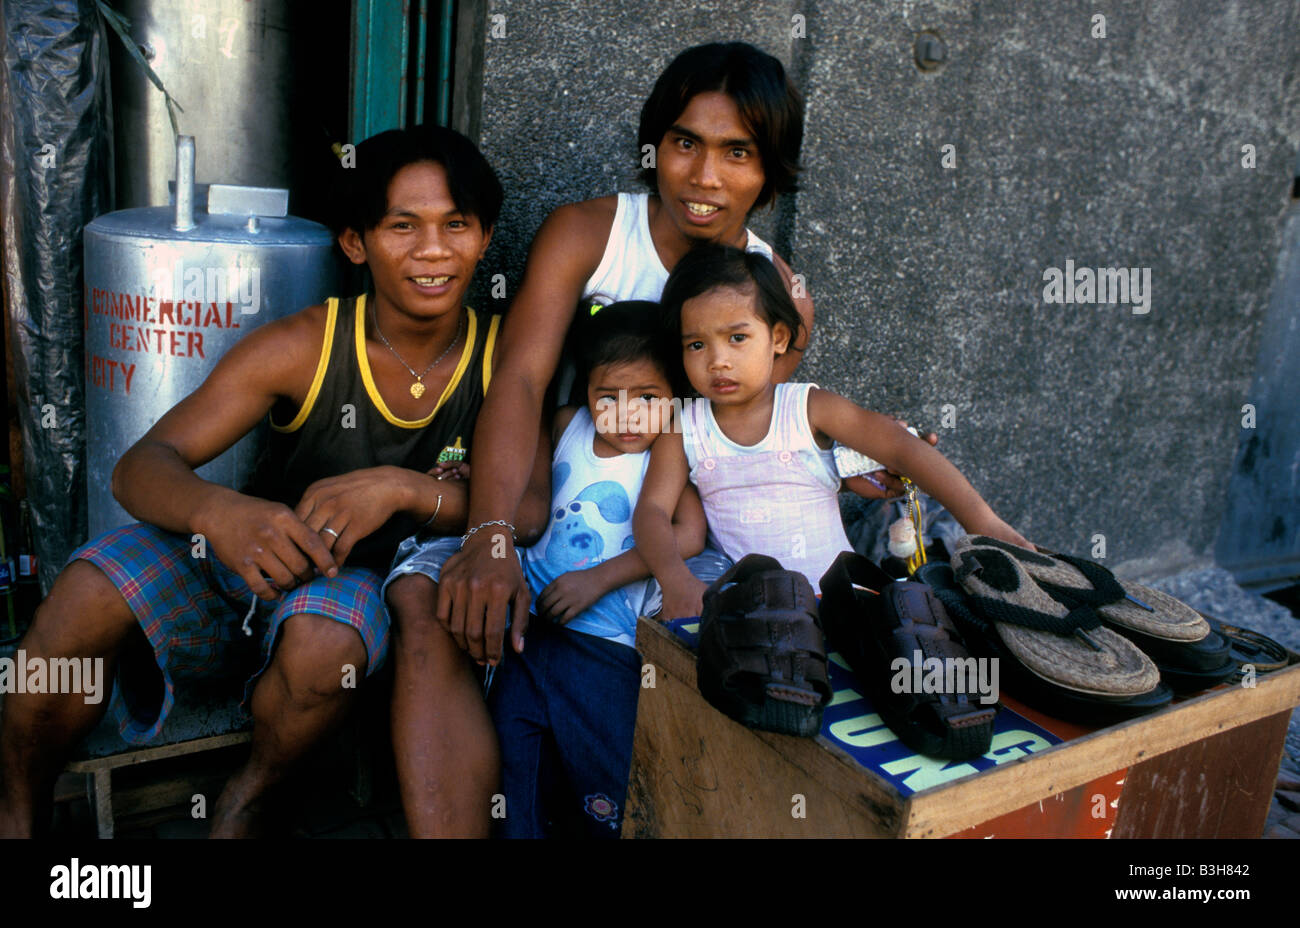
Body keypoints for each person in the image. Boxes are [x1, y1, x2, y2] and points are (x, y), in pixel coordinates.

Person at [0, 124, 547, 837]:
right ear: (355, 242)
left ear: (483, 238)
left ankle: (248, 795)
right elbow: (142, 464)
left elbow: (527, 510)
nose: (433, 250)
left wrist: (402, 488)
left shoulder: (503, 360)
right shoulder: (309, 343)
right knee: (83, 593)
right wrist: (220, 515)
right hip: (240, 558)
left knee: (325, 644)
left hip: (351, 586)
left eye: (456, 225)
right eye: (401, 226)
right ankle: (17, 806)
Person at [435, 41, 924, 669]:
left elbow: (738, 438)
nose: (704, 177)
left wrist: (836, 466)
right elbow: (521, 382)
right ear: (655, 146)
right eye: (685, 143)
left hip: (673, 540)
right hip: (539, 501)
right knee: (437, 620)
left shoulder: (784, 305)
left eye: (738, 153)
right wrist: (490, 534)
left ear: (771, 171)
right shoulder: (587, 237)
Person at [633, 244, 1032, 616]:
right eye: (696, 345)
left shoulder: (808, 407)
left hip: (841, 602)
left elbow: (902, 449)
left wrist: (984, 523)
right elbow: (652, 511)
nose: (718, 360)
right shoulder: (684, 427)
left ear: (778, 337)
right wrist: (674, 580)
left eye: (737, 337)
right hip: (752, 616)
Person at [489, 301, 726, 837]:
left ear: (675, 399)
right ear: (585, 392)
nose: (626, 414)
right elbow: (513, 475)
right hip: (525, 637)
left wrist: (600, 578)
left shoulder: (667, 454)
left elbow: (688, 533)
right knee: (515, 765)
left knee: (606, 778)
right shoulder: (565, 424)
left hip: (607, 648)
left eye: (647, 397)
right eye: (607, 396)